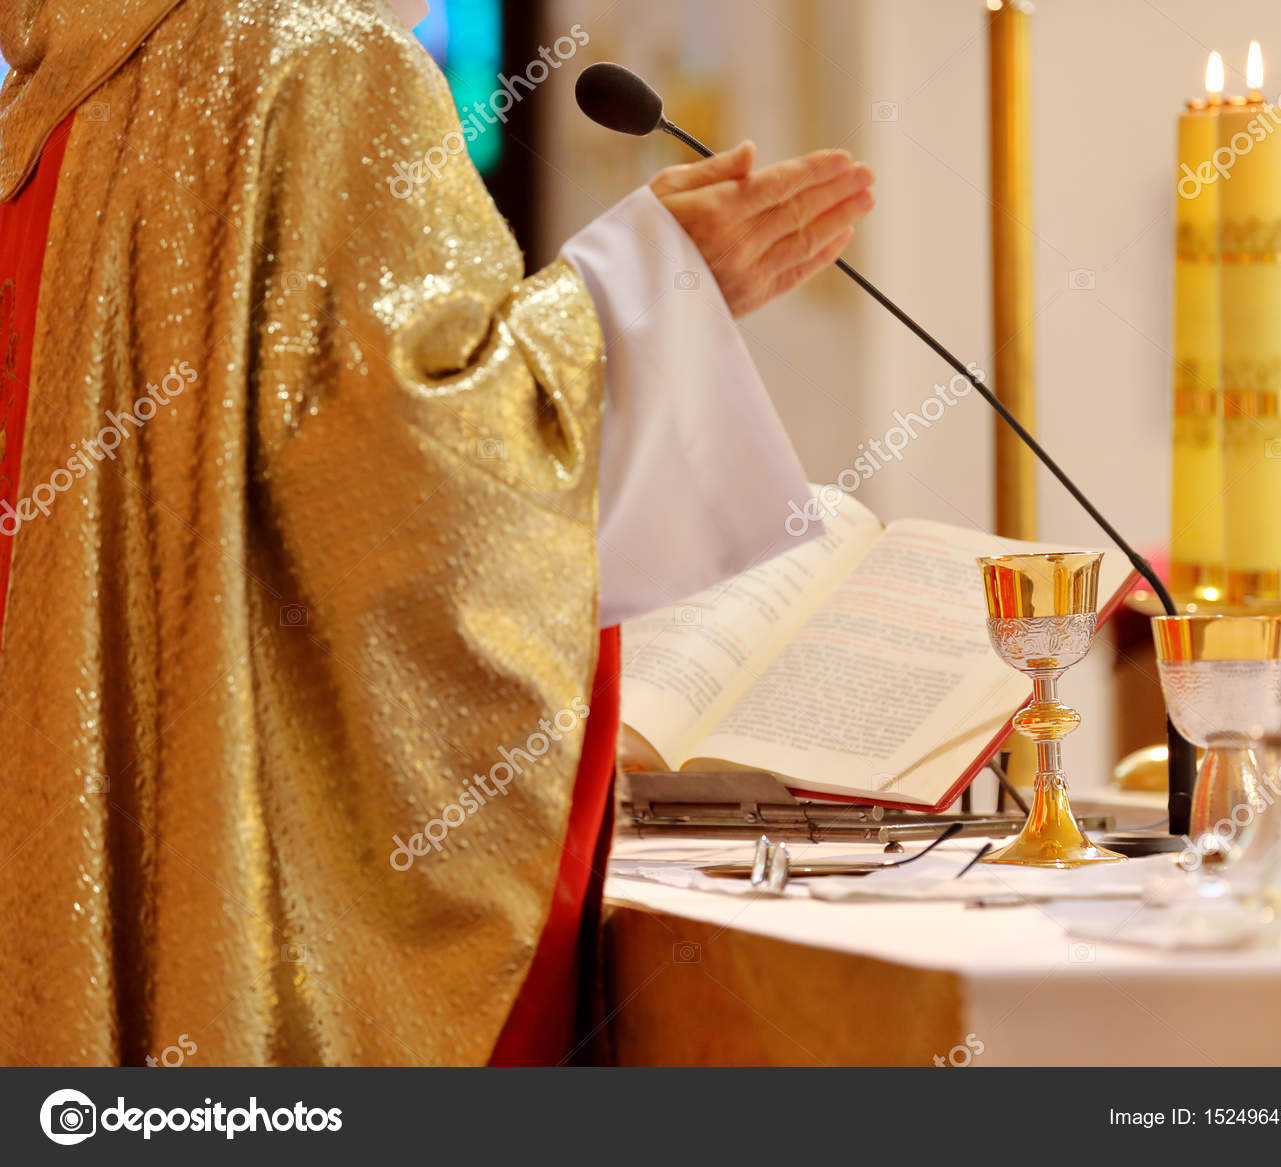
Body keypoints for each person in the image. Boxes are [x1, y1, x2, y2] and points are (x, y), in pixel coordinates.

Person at [0, 0, 873, 1065]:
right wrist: (656, 292)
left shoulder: (60, 88)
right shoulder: (322, 58)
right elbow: (421, 478)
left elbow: (295, 472)